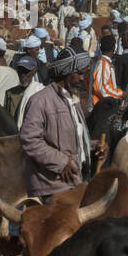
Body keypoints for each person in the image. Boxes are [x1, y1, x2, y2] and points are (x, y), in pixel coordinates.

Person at [19, 49, 108, 205]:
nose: (82, 78)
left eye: (85, 73)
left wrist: (94, 147)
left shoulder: (73, 99)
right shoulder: (41, 100)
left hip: (75, 182)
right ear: (66, 72)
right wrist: (62, 162)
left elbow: (74, 139)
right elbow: (29, 140)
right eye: (79, 73)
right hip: (52, 185)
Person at [4, 54, 43, 126]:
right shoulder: (10, 93)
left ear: (34, 72)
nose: (23, 75)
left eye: (26, 71)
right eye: (20, 71)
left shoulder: (40, 92)